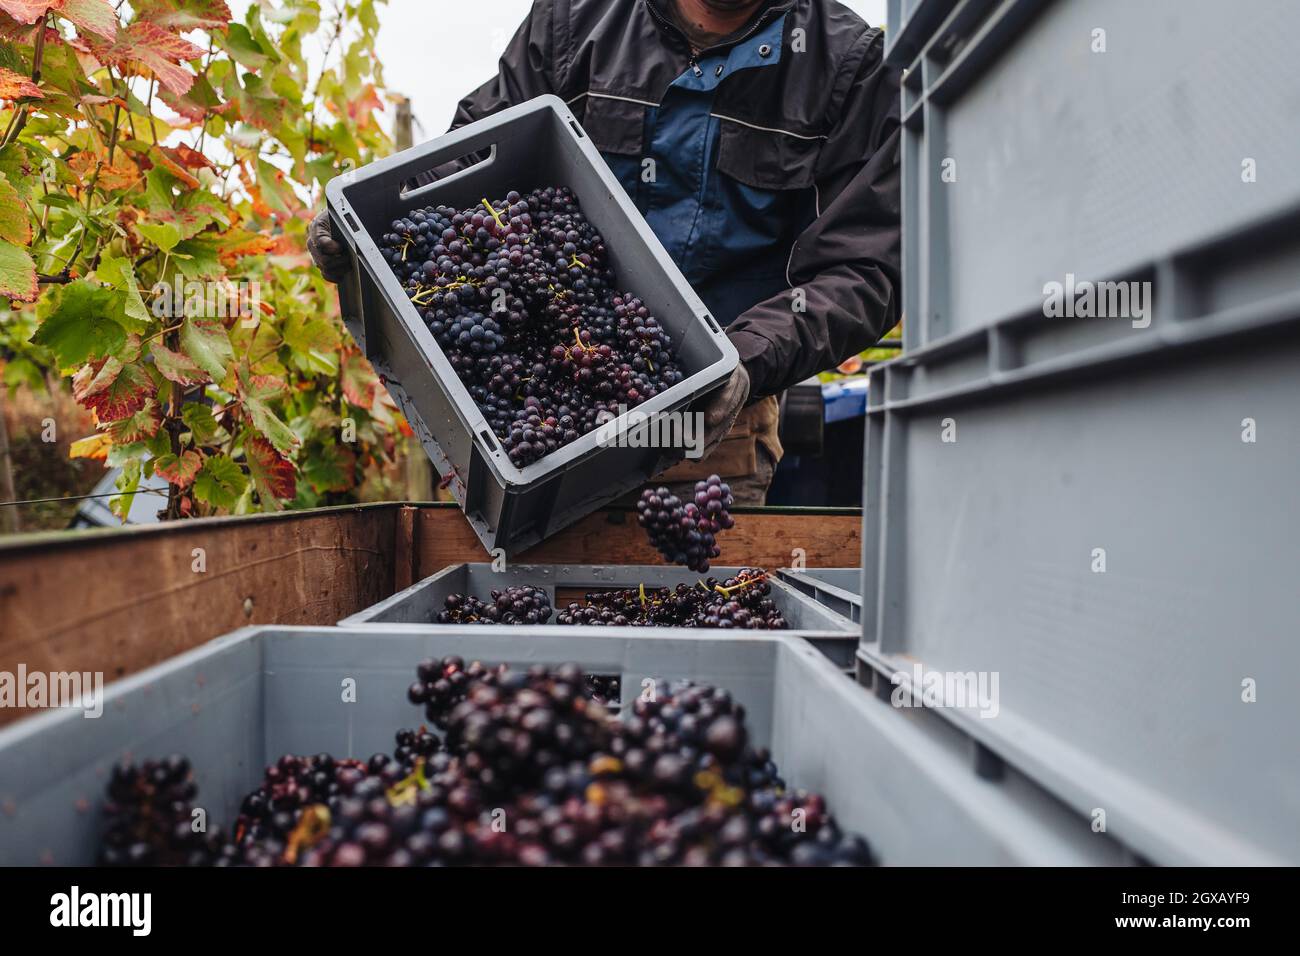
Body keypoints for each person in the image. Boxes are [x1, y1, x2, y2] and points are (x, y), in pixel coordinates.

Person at [309, 0, 901, 503]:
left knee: (694, 616)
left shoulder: (846, 66)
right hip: (532, 417)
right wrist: (374, 225)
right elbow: (475, 158)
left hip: (713, 428)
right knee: (509, 623)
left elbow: (862, 267)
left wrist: (748, 356)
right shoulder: (576, 18)